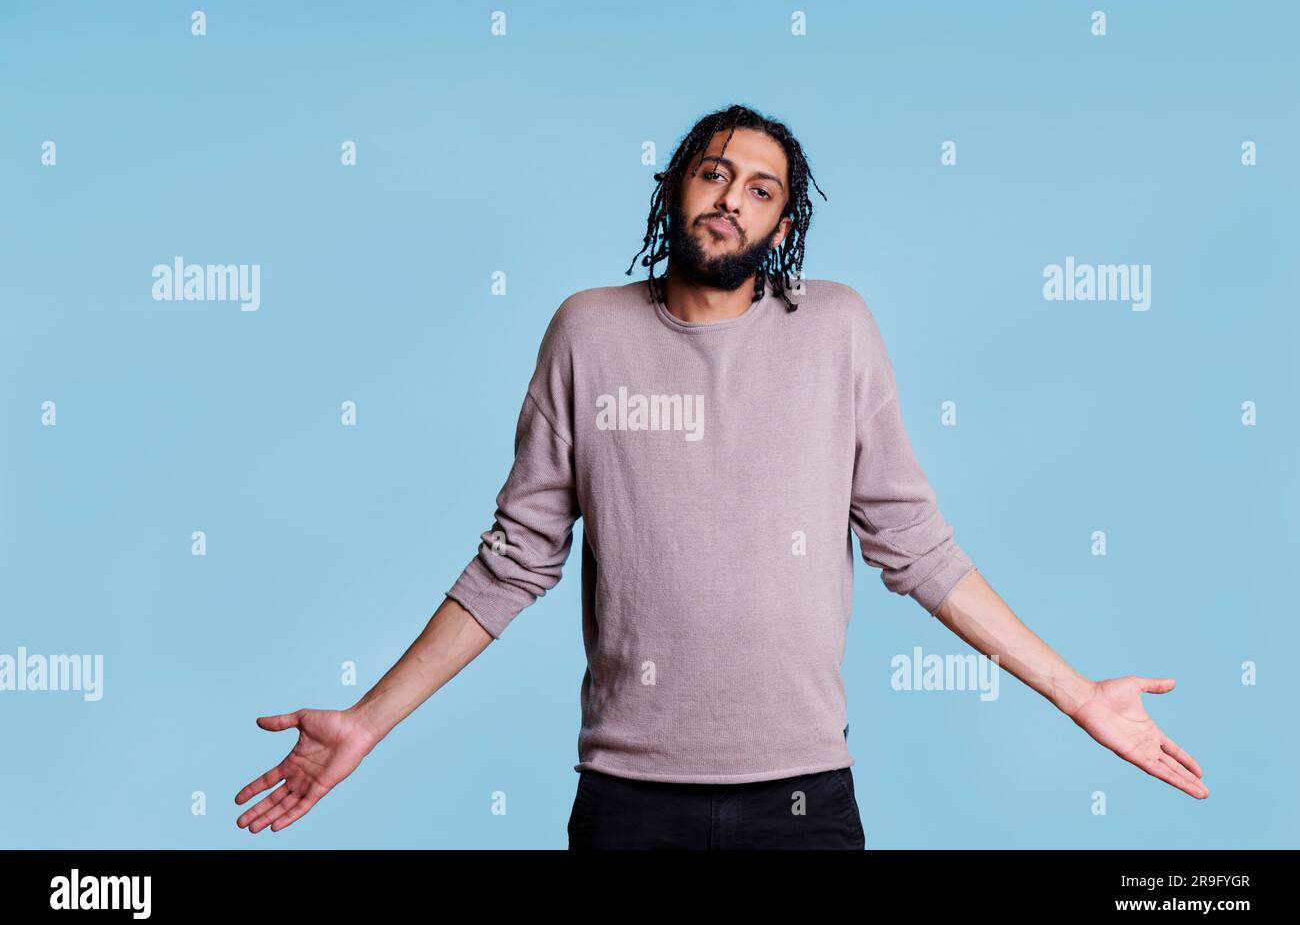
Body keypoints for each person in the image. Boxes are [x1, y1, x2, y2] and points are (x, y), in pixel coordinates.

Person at [234, 104, 1209, 848]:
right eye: (714, 173)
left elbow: (917, 547)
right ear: (675, 190)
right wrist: (367, 718)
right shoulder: (588, 330)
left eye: (759, 188)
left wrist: (1076, 692)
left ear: (783, 226)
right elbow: (516, 558)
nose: (729, 197)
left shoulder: (836, 329)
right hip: (628, 800)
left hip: (803, 795)